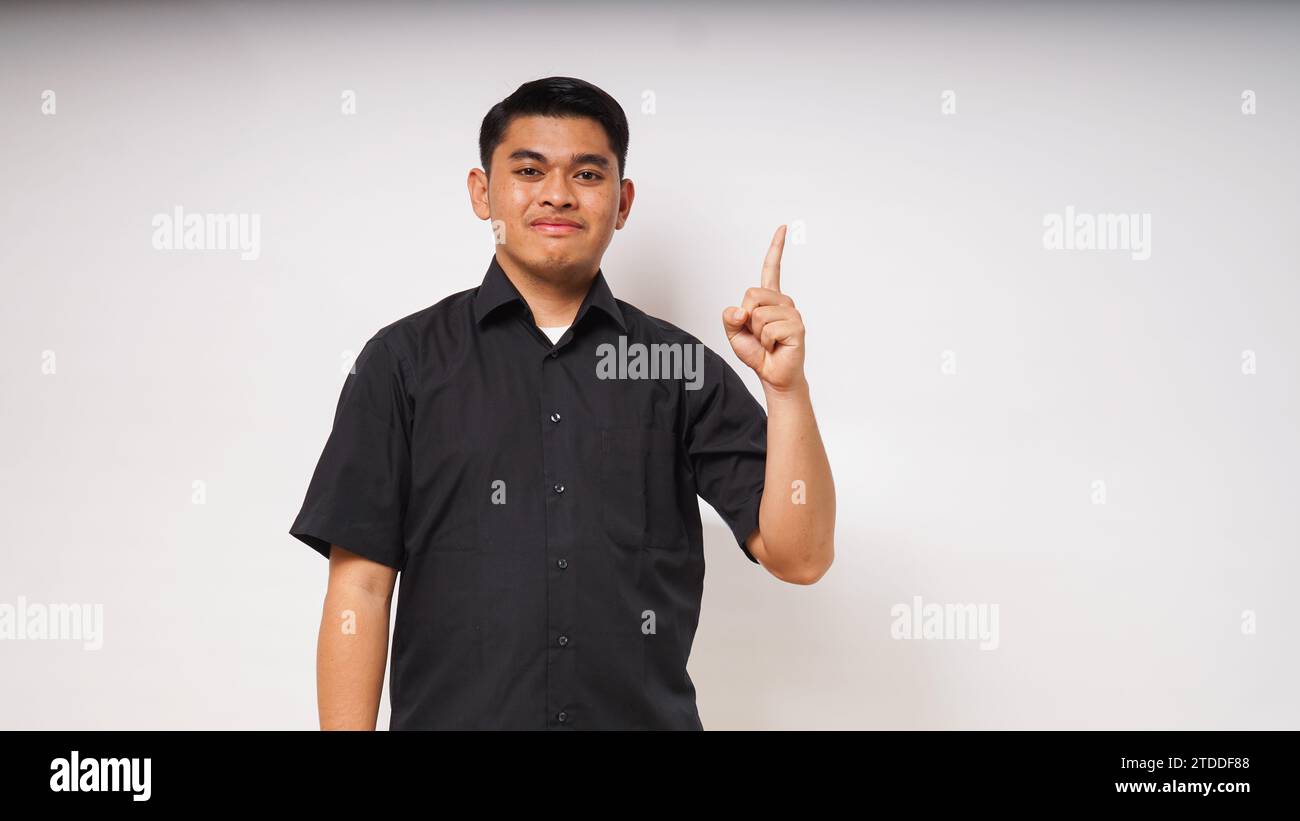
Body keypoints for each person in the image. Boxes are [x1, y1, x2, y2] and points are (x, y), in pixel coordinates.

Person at [290, 76, 835, 730]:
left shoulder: (677, 368)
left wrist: (786, 390)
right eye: (528, 169)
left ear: (622, 200)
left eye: (587, 173)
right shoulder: (403, 364)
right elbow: (361, 587)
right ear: (480, 191)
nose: (556, 193)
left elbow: (799, 555)